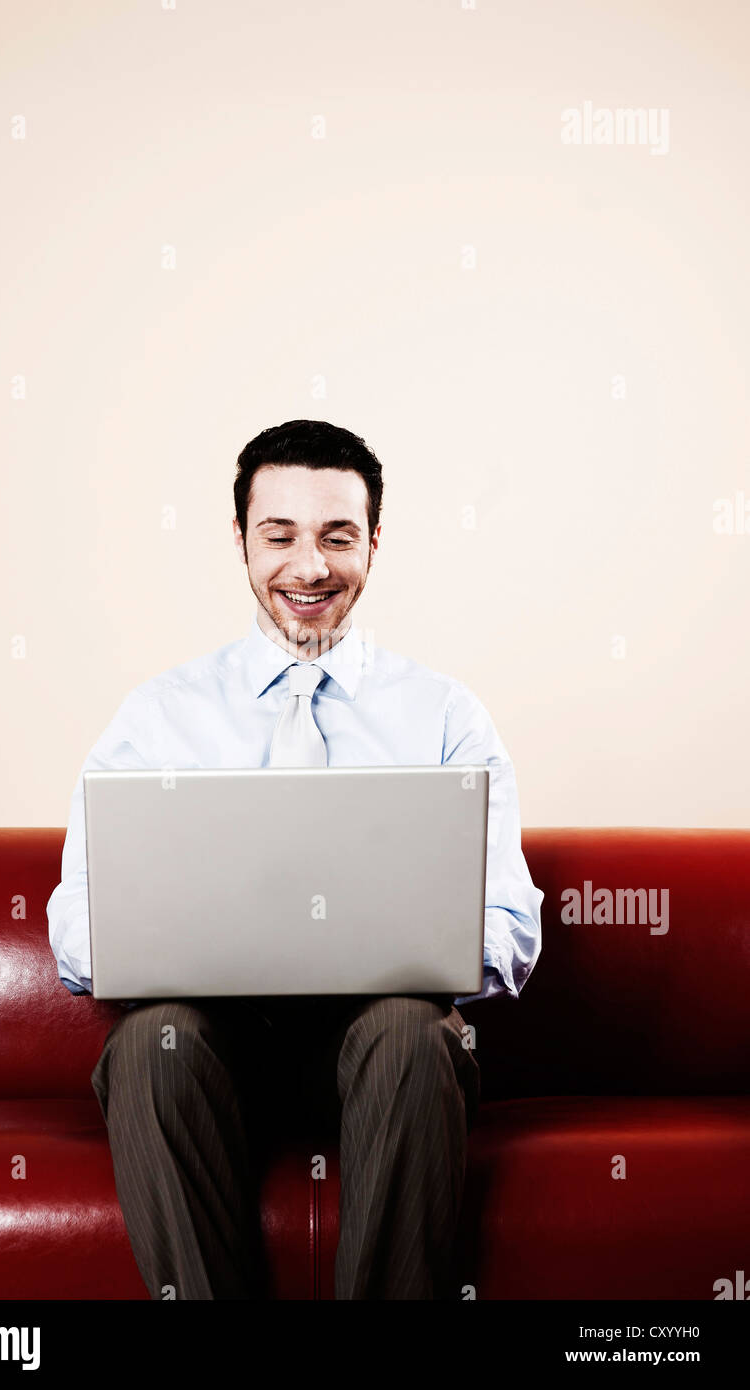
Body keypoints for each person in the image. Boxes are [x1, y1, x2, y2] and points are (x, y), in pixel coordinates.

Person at [46, 418, 543, 1300]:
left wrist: (406, 945)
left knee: (408, 1029)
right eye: (279, 536)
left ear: (375, 543)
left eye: (337, 536)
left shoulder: (444, 716)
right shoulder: (159, 717)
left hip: (385, 1067)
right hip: (211, 1060)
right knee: (151, 1046)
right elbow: (79, 930)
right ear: (239, 540)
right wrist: (192, 944)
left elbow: (509, 926)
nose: (308, 567)